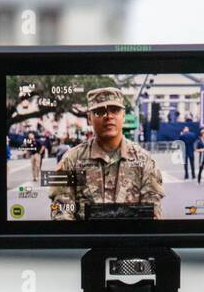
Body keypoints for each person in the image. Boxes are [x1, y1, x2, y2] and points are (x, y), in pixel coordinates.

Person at [49, 87, 164, 221]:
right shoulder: (70, 160)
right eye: (99, 112)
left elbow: (152, 213)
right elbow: (61, 212)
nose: (108, 116)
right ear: (89, 118)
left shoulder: (144, 160)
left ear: (123, 116)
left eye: (114, 110)